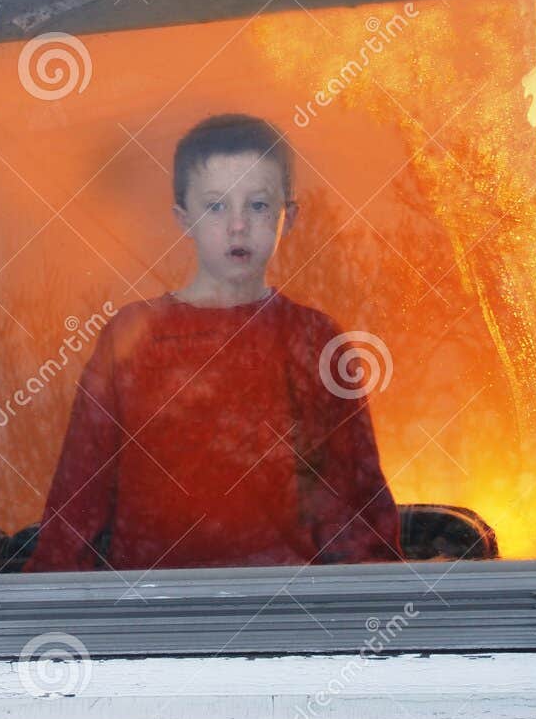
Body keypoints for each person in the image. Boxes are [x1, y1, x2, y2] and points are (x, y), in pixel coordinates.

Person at [25, 113, 403, 572]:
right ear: (183, 219)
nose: (239, 226)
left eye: (259, 205)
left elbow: (356, 508)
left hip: (285, 609)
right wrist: (55, 616)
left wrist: (367, 617)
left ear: (290, 217)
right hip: (151, 611)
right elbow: (78, 498)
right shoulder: (134, 337)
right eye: (216, 207)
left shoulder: (314, 339)